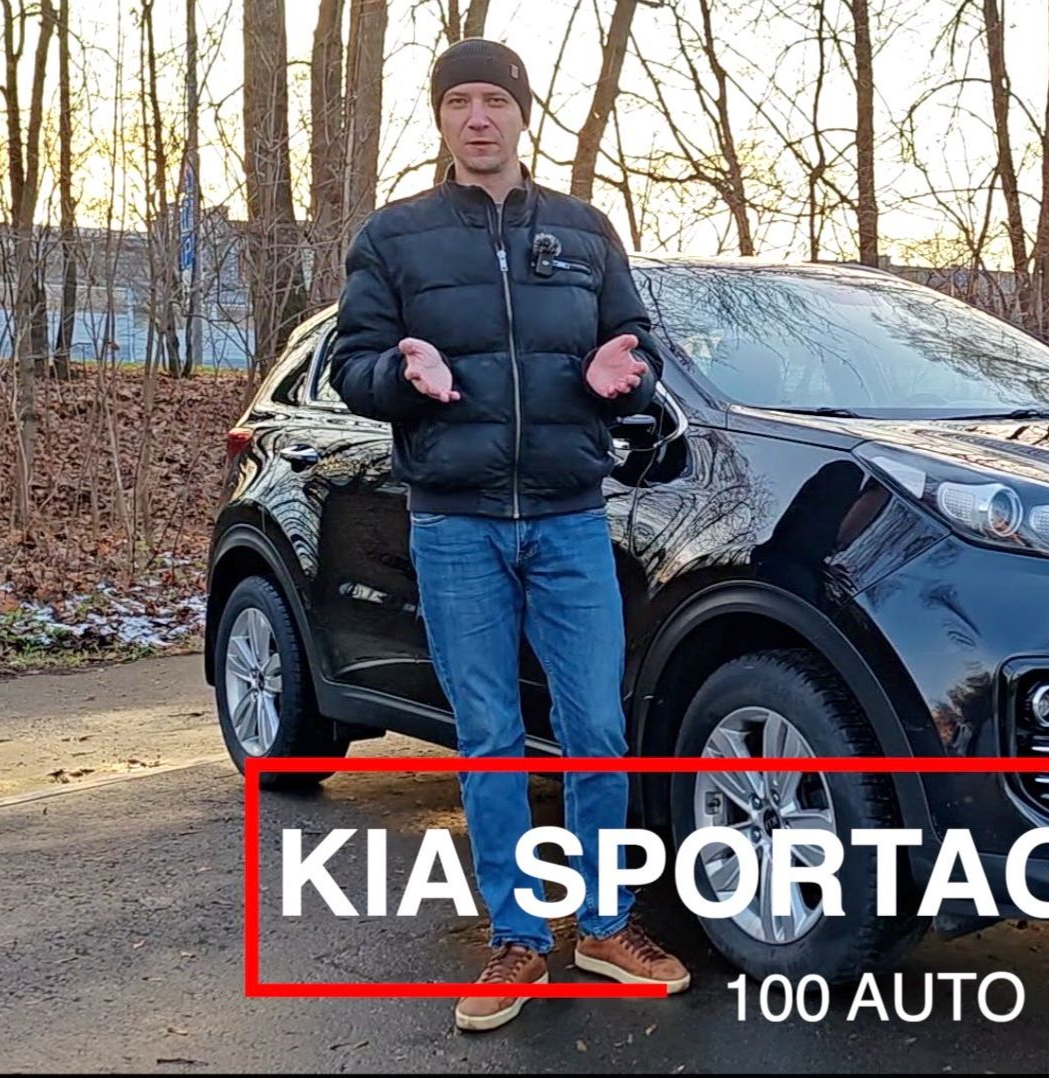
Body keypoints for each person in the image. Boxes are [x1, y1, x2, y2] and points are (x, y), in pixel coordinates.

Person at [327, 37, 690, 1033]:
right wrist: (402, 376)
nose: (478, 118)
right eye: (460, 103)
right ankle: (518, 935)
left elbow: (639, 349)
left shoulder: (583, 230)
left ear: (523, 114)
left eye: (495, 100)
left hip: (570, 518)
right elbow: (351, 367)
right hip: (456, 524)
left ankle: (605, 925)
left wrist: (624, 374)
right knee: (487, 735)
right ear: (441, 118)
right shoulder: (395, 237)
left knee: (596, 728)